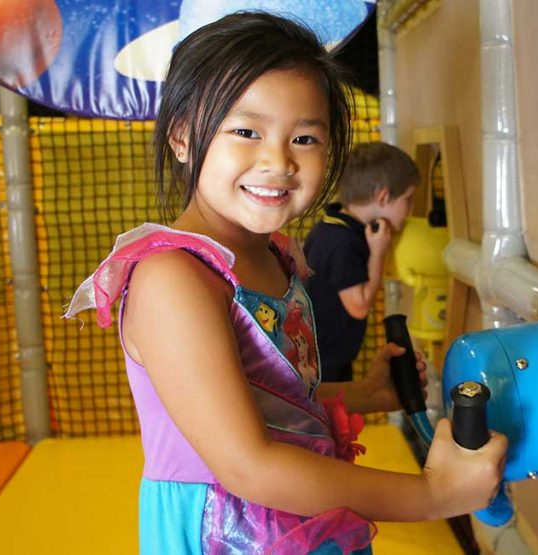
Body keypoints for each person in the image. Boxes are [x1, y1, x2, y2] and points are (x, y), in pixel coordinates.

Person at [65, 12, 505, 555]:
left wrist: (362, 394)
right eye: (246, 131)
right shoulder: (174, 279)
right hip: (225, 533)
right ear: (182, 136)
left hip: (300, 516)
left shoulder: (272, 253)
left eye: (303, 137)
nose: (277, 160)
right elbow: (249, 465)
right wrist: (433, 495)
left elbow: (270, 401)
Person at [303, 142, 419, 383]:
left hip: (323, 353)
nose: (410, 210)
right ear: (384, 197)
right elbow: (359, 306)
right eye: (408, 199)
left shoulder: (336, 225)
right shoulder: (342, 243)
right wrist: (378, 252)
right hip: (325, 361)